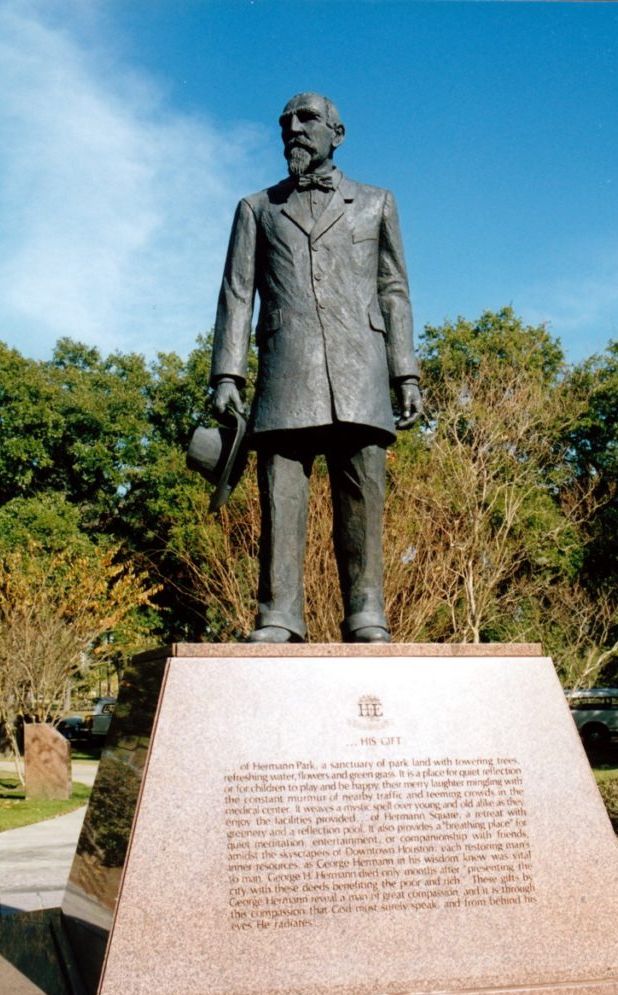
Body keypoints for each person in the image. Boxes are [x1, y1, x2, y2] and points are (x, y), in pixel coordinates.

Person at [211, 92, 422, 643]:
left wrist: (406, 374)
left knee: (363, 494)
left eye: (307, 120)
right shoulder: (257, 208)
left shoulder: (377, 203)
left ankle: (365, 610)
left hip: (362, 370)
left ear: (338, 132)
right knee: (281, 495)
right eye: (286, 123)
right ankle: (279, 611)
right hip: (287, 369)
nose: (293, 130)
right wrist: (227, 375)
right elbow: (237, 293)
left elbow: (394, 290)